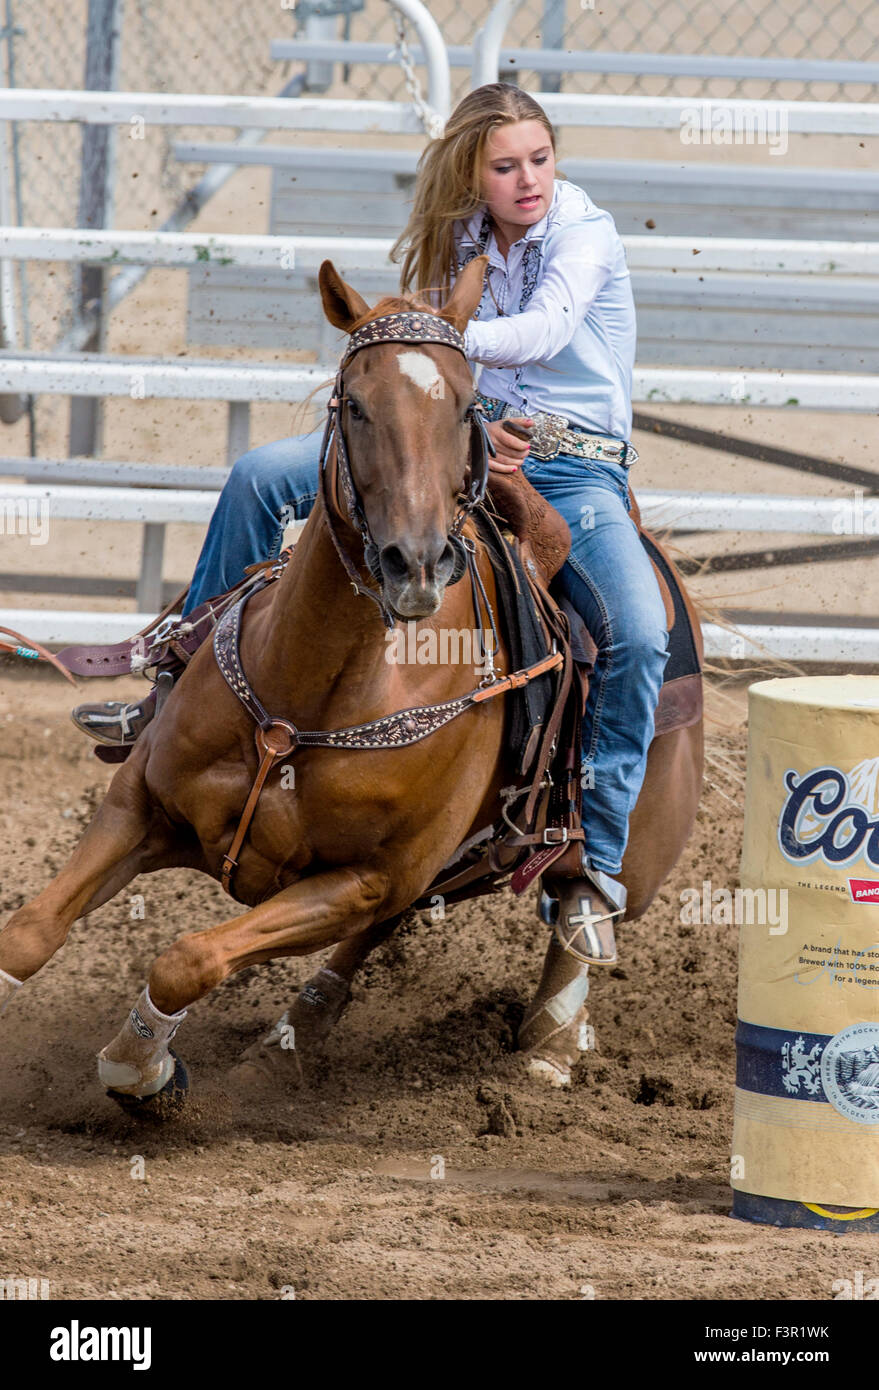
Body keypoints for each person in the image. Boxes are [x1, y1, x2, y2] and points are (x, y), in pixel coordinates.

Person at [73, 84, 668, 1055]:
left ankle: (594, 862)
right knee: (259, 478)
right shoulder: (460, 239)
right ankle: (175, 675)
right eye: (506, 164)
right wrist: (421, 371)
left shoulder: (584, 235)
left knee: (638, 631)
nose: (527, 180)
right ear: (474, 171)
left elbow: (548, 331)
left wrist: (430, 342)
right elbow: (425, 368)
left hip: (572, 462)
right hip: (455, 446)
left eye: (539, 160)